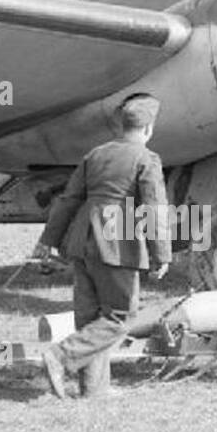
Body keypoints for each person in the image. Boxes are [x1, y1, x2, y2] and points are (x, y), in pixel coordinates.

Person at [32, 95, 171, 399]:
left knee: (90, 317)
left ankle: (94, 389)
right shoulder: (147, 159)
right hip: (117, 241)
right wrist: (161, 253)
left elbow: (69, 200)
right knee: (121, 318)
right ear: (148, 128)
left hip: (83, 241)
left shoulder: (96, 154)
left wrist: (48, 240)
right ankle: (60, 357)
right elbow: (153, 209)